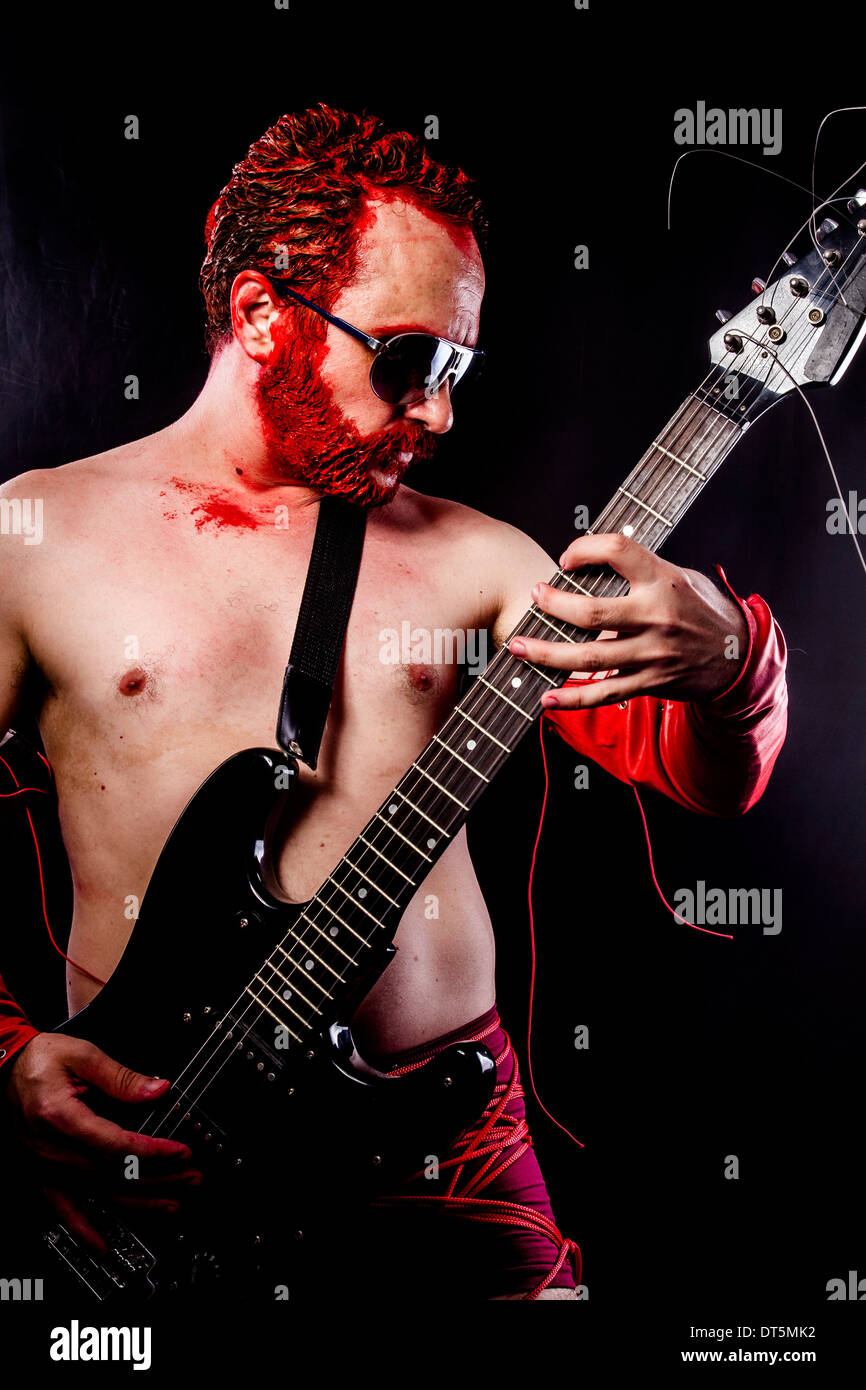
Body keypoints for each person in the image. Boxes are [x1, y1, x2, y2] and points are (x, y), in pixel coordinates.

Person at [0, 104, 787, 1301]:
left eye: (460, 370)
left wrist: (729, 658)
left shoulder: (478, 557)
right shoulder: (35, 536)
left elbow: (705, 778)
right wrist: (6, 1059)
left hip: (449, 1146)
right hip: (168, 1147)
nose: (440, 413)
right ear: (263, 313)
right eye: (411, 359)